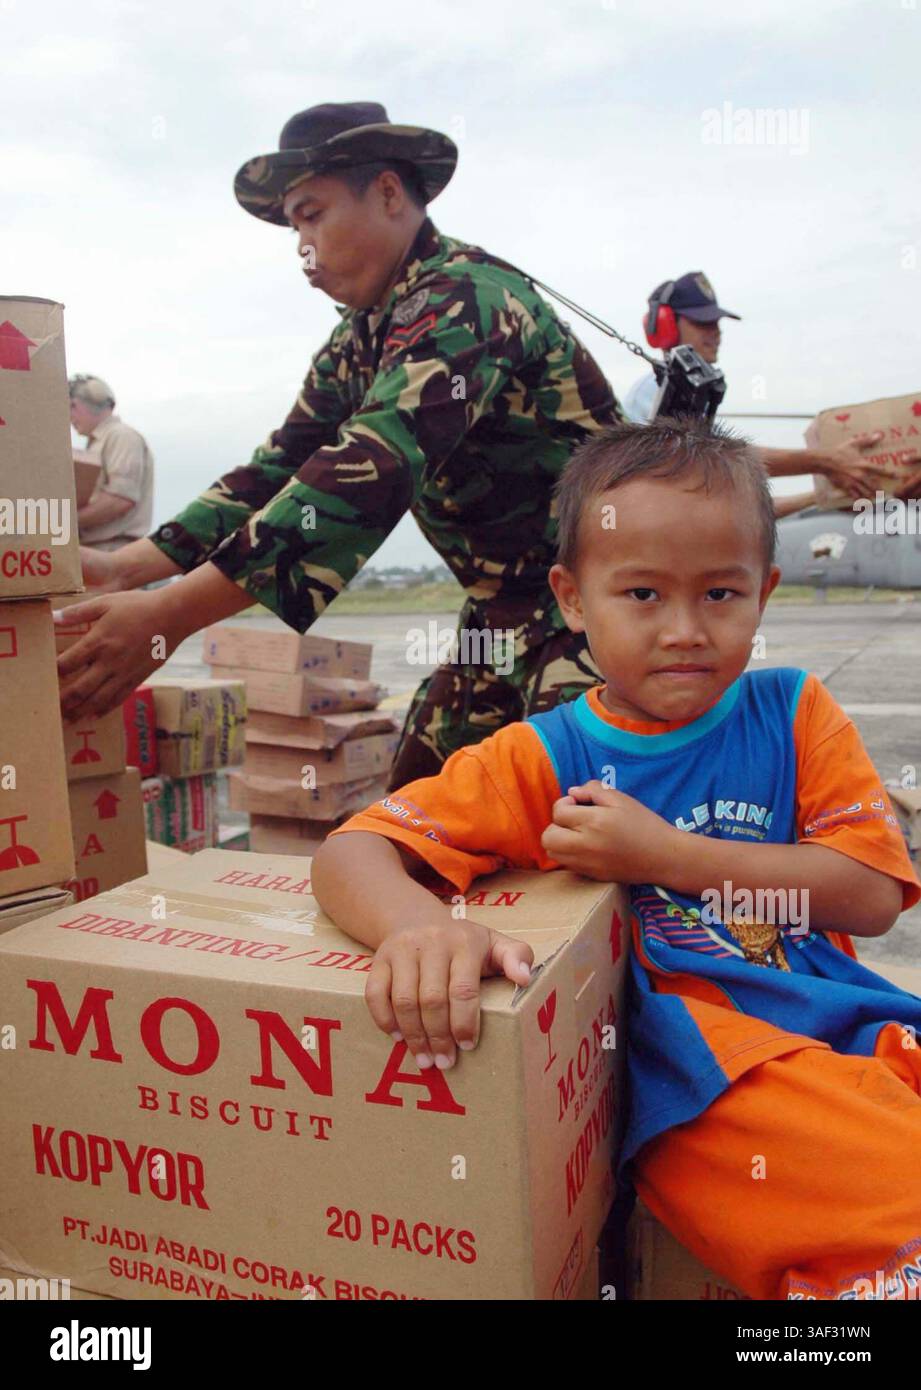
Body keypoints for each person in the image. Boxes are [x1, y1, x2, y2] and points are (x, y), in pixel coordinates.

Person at [311, 417, 921, 1301]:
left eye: (721, 595)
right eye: (641, 594)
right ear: (570, 597)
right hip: (709, 1074)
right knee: (884, 1189)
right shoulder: (543, 758)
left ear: (766, 591)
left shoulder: (791, 711)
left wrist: (666, 855)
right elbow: (355, 848)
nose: (684, 630)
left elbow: (867, 893)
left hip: (851, 1017)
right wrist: (417, 927)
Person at [57, 101, 622, 789]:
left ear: (387, 192)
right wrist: (132, 568)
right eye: (294, 225)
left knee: (580, 828)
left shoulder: (466, 299)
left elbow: (370, 467)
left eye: (311, 215)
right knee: (416, 812)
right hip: (502, 616)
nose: (302, 250)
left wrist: (172, 613)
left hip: (602, 609)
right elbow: (282, 466)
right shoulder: (361, 339)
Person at [621, 271, 917, 514]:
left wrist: (827, 493)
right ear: (665, 327)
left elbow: (743, 512)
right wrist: (824, 461)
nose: (716, 332)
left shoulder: (697, 399)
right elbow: (703, 458)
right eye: (702, 322)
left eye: (717, 323)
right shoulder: (655, 393)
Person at [68, 374, 155, 550]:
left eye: (70, 407)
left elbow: (120, 499)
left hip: (111, 550)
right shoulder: (99, 442)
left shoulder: (121, 436)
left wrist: (64, 522)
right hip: (98, 550)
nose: (70, 418)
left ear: (76, 404)